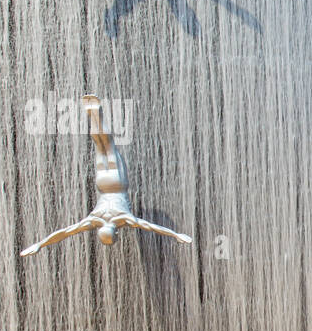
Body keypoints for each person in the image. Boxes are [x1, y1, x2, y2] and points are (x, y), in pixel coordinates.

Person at [21, 95, 192, 256]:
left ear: (116, 231)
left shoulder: (124, 219)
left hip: (118, 184)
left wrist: (176, 235)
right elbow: (65, 232)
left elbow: (150, 226)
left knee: (108, 146)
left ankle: (96, 114)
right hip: (102, 184)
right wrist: (39, 244)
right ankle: (93, 115)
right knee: (101, 146)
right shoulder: (93, 221)